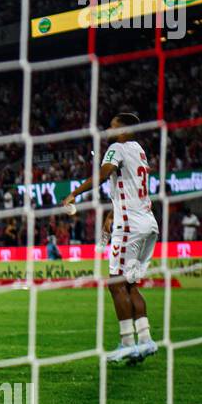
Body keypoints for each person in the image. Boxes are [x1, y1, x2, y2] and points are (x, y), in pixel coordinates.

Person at [62, 112, 161, 364]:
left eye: (113, 126)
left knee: (115, 284)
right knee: (129, 285)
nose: (108, 130)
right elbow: (123, 185)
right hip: (148, 222)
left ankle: (128, 344)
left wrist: (75, 192)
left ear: (123, 130)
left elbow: (105, 173)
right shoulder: (138, 149)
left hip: (130, 226)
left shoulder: (116, 147)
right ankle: (146, 340)